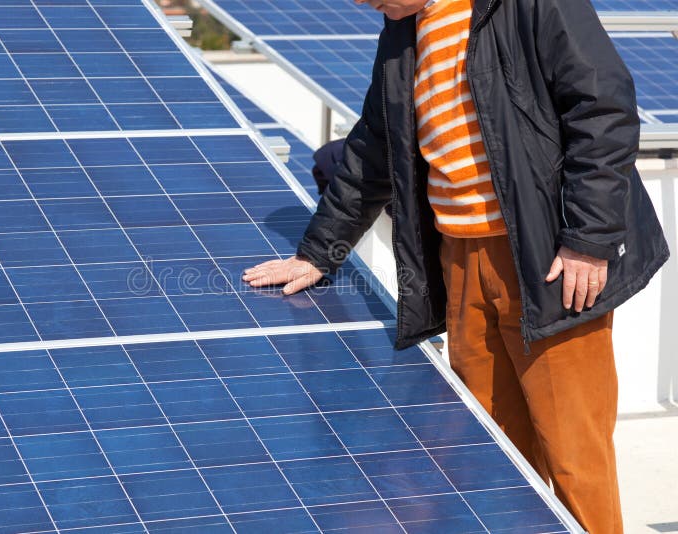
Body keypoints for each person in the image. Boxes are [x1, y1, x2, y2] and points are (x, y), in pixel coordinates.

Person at [243, 0, 670, 531]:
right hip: (460, 262)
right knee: (493, 452)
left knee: (572, 453)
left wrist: (589, 238)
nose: (361, 2)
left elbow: (602, 108)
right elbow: (374, 144)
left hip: (550, 260)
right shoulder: (402, 29)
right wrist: (316, 253)